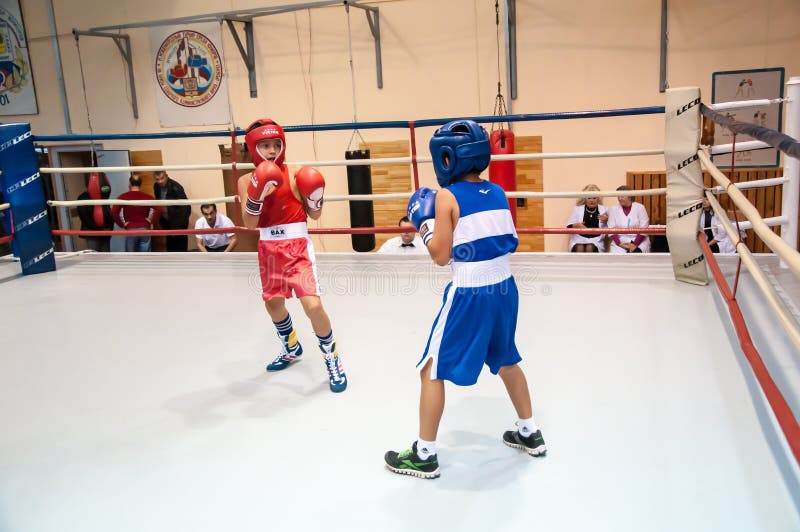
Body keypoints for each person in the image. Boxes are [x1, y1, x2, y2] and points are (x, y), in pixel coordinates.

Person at [384, 120, 546, 480]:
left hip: (470, 292)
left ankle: (424, 455)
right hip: (505, 288)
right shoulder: (498, 191)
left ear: (447, 158)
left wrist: (423, 225)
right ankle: (529, 431)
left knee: (431, 366)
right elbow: (505, 240)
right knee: (506, 358)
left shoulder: (447, 197)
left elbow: (440, 256)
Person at [237, 118, 347, 393]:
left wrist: (315, 197)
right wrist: (257, 194)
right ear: (253, 148)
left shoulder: (297, 173)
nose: (272, 150)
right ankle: (291, 346)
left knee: (313, 306)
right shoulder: (245, 181)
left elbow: (315, 215)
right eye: (265, 145)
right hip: (268, 248)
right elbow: (249, 224)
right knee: (273, 305)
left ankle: (333, 360)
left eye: (276, 144)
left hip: (297, 247)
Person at [111, 174, 162, 252]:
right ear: (140, 184)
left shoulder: (123, 197)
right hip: (144, 228)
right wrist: (151, 221)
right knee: (144, 256)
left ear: (130, 183)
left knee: (131, 256)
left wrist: (122, 224)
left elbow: (113, 212)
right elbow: (160, 209)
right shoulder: (147, 197)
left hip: (131, 229)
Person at [153, 171, 191, 252]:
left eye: (162, 178)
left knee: (181, 248)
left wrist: (179, 226)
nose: (160, 181)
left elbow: (186, 207)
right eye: (157, 179)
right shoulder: (156, 186)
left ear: (166, 176)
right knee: (170, 247)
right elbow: (158, 202)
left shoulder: (176, 187)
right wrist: (160, 220)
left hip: (179, 223)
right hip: (167, 221)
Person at [76, 172, 114, 252]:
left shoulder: (104, 196)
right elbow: (84, 217)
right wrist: (98, 229)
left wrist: (109, 228)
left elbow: (108, 212)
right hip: (92, 233)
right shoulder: (83, 197)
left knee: (106, 255)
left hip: (105, 233)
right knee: (94, 254)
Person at [566, 184, 609, 252]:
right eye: (589, 198)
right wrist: (577, 225)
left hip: (596, 241)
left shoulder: (605, 209)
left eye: (594, 198)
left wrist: (607, 220)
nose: (591, 200)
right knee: (579, 247)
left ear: (598, 198)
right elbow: (568, 226)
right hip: (579, 239)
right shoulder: (577, 209)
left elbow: (612, 226)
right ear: (585, 199)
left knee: (590, 247)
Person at [608, 185, 650, 253]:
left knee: (637, 254)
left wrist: (635, 244)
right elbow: (611, 229)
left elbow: (644, 228)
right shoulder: (613, 209)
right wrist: (619, 243)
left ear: (629, 196)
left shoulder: (640, 208)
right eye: (618, 196)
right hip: (621, 241)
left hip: (639, 241)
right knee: (617, 256)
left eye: (622, 196)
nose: (619, 199)